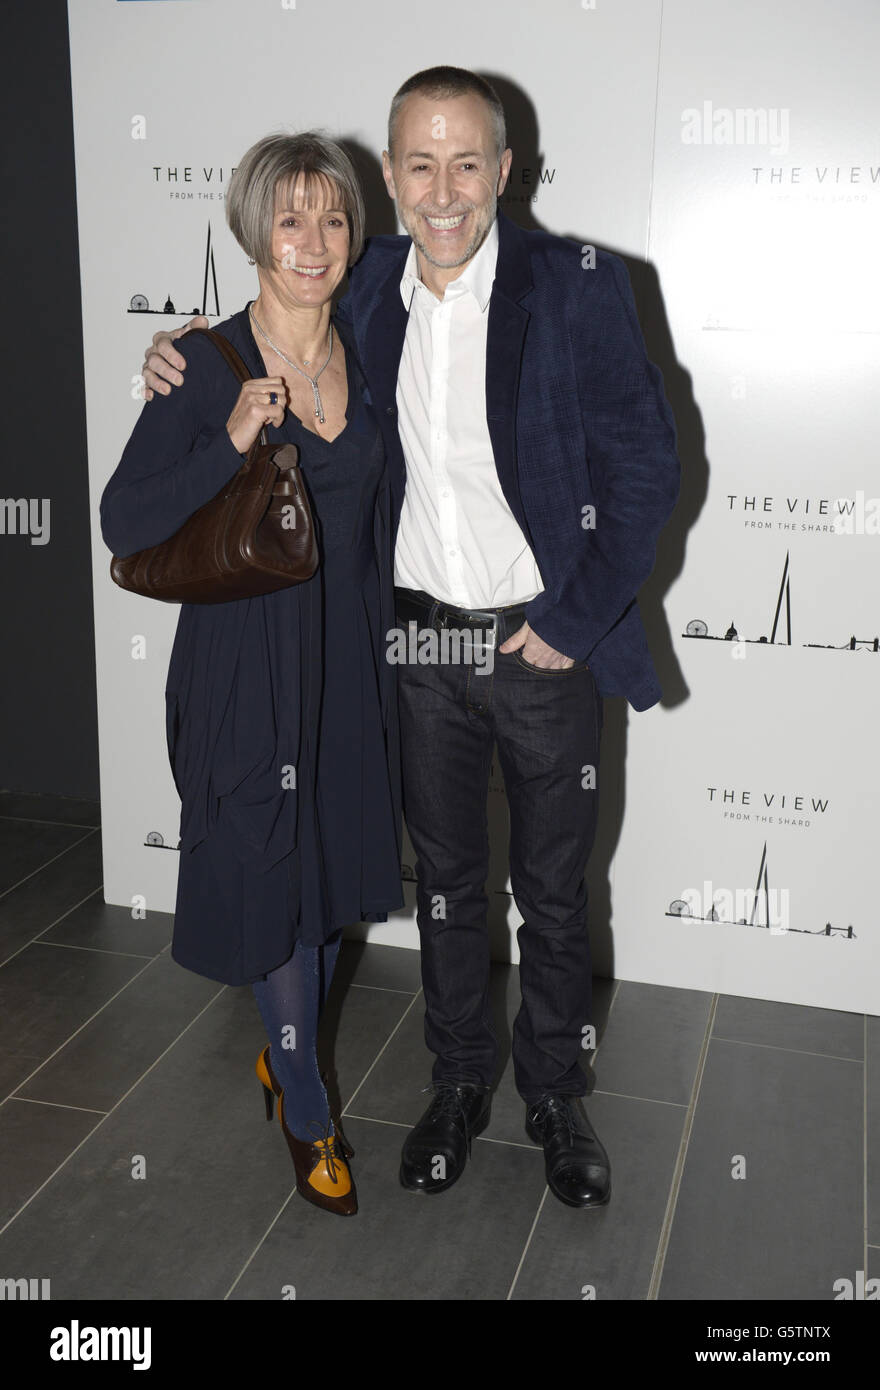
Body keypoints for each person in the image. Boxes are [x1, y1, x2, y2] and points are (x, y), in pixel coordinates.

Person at [141, 68, 681, 1211]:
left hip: (541, 649)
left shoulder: (580, 288)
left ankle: (552, 1095)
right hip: (416, 656)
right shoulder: (367, 282)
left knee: (553, 891)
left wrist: (569, 622)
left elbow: (645, 471)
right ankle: (456, 1085)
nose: (443, 192)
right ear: (389, 178)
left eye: (467, 162)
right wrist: (175, 360)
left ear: (504, 170)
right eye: (418, 166)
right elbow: (265, 317)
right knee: (444, 886)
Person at [104, 132, 404, 1218]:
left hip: (348, 663)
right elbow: (123, 522)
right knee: (273, 885)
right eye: (289, 218)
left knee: (321, 882)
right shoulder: (203, 362)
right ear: (251, 232)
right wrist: (225, 438)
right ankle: (306, 1099)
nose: (312, 240)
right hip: (246, 667)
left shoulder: (371, 338)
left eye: (332, 218)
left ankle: (283, 1053)